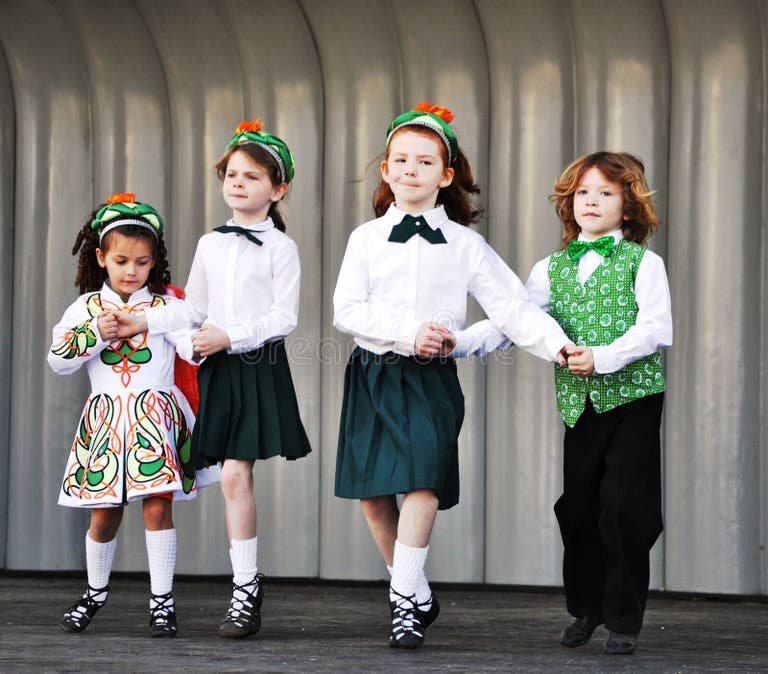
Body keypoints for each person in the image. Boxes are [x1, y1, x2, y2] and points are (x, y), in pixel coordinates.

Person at [332, 102, 571, 649]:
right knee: (373, 494)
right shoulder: (365, 239)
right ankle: (411, 586)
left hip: (430, 377)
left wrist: (557, 346)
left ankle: (403, 605)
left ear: (445, 175)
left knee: (424, 479)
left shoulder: (466, 246)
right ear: (387, 171)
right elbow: (346, 310)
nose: (410, 168)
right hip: (372, 372)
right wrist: (404, 330)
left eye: (425, 160)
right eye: (400, 159)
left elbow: (512, 309)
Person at [115, 120, 312, 639]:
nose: (238, 182)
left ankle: (245, 591)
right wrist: (146, 321)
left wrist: (231, 336)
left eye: (251, 175)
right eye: (231, 174)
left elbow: (284, 317)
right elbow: (192, 307)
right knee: (231, 477)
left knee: (232, 475)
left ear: (278, 188)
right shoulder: (210, 242)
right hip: (220, 369)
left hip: (257, 363)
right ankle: (247, 584)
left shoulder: (280, 249)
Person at [48, 193, 219, 637]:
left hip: (155, 417)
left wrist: (193, 331)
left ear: (154, 262)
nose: (131, 271)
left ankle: (162, 602)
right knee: (103, 514)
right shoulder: (85, 308)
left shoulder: (165, 307)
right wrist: (93, 334)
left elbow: (192, 350)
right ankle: (94, 593)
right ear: (101, 257)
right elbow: (58, 359)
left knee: (158, 509)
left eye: (142, 263)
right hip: (105, 422)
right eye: (122, 260)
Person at [525, 151, 672, 655]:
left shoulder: (643, 263)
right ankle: (587, 607)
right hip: (580, 405)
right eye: (584, 192)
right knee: (579, 508)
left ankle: (624, 618)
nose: (592, 200)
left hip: (633, 400)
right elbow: (522, 321)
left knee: (624, 508)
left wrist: (604, 357)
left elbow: (655, 329)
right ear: (570, 203)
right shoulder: (550, 268)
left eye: (606, 193)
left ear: (627, 208)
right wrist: (461, 339)